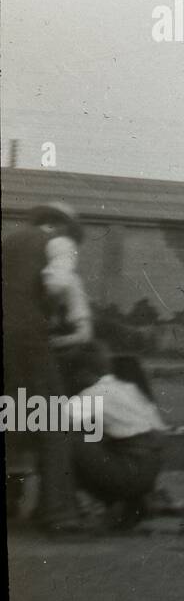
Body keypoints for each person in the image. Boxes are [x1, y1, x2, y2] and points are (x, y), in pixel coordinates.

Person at [1, 202, 88, 533]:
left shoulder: (9, 241)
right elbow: (57, 283)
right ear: (62, 226)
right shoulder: (59, 242)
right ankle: (59, 513)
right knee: (53, 420)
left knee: (10, 415)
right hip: (28, 338)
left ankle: (10, 500)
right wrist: (47, 313)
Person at [68, 348, 166, 530]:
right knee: (95, 439)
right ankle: (133, 502)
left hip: (130, 470)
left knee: (66, 443)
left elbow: (56, 422)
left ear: (83, 373)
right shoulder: (128, 388)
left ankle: (69, 509)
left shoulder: (91, 393)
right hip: (151, 469)